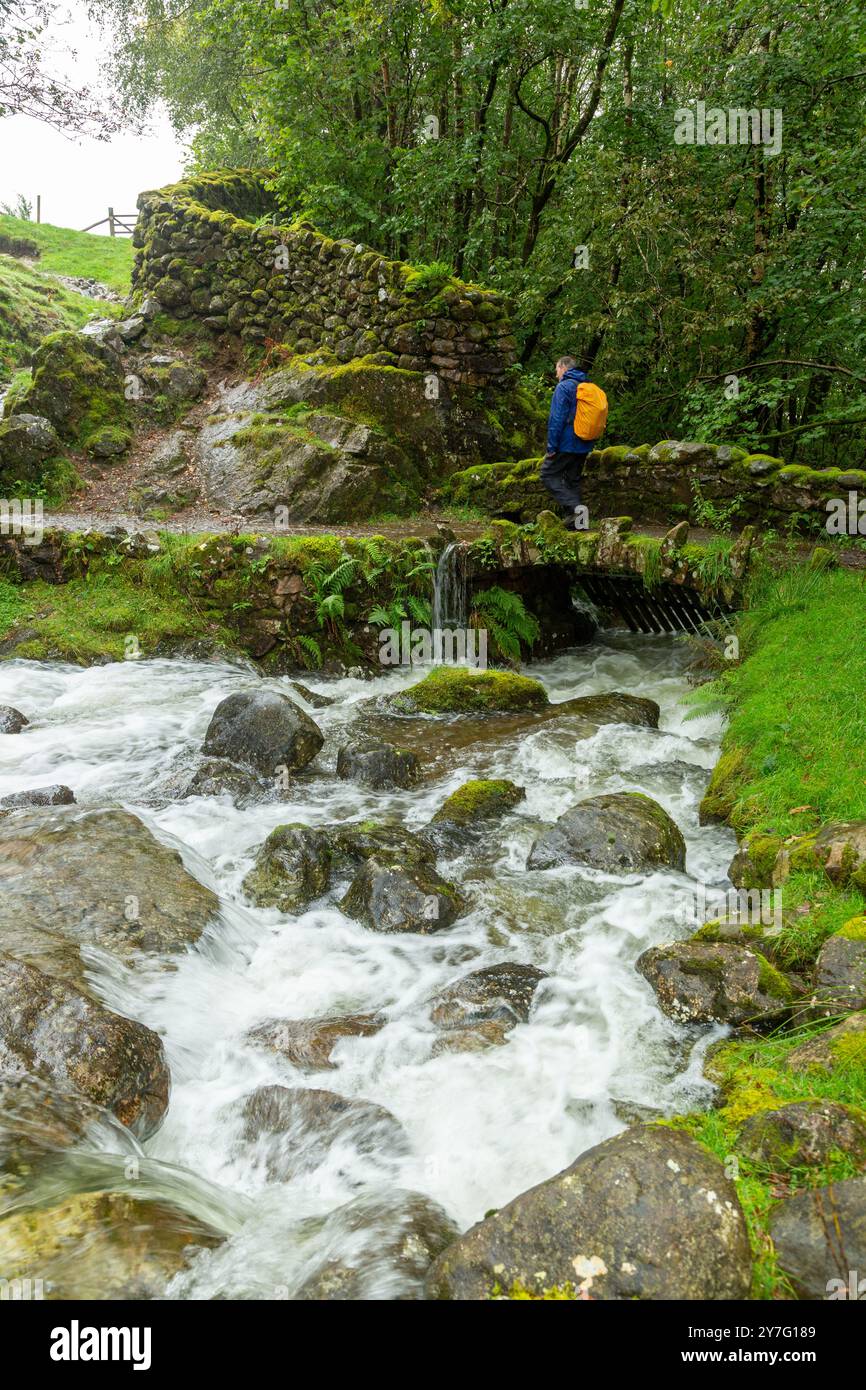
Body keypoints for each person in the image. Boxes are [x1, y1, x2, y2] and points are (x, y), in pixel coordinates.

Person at [541, 355, 593, 527]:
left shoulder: (564, 387)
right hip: (584, 442)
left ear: (563, 367)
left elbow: (557, 419)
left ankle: (578, 510)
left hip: (566, 442)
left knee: (548, 474)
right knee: (573, 480)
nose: (556, 374)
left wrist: (551, 446)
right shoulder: (585, 386)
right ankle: (579, 524)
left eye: (557, 369)